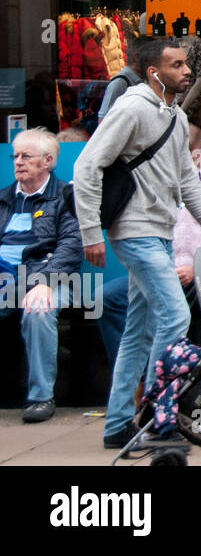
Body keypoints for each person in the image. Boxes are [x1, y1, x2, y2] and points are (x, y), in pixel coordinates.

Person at [73, 39, 201, 450]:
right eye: (176, 65)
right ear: (153, 72)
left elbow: (185, 183)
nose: (185, 71)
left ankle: (118, 426)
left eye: (185, 64)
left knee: (137, 333)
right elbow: (87, 165)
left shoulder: (175, 117)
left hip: (157, 232)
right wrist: (91, 232)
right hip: (134, 230)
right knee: (175, 316)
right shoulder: (131, 108)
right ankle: (156, 415)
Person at [98, 123, 201, 364]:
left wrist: (197, 269)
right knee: (105, 298)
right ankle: (136, 376)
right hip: (161, 269)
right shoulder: (154, 178)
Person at [0, 128, 82, 423]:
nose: (18, 162)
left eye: (26, 156)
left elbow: (72, 247)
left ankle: (40, 397)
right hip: (4, 281)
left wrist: (43, 281)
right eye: (15, 156)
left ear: (48, 161)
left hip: (51, 278)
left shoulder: (64, 198)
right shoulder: (3, 200)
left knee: (38, 309)